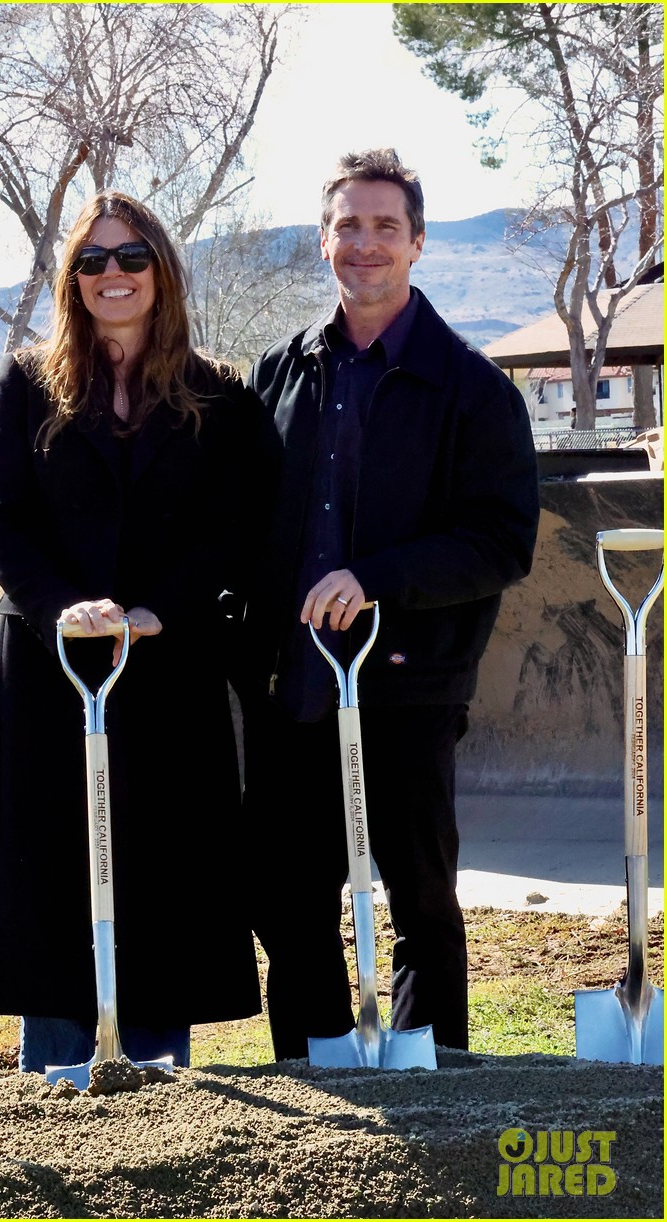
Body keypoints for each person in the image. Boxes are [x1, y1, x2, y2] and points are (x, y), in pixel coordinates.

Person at [239, 149, 540, 1060]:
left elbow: (499, 542)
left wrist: (376, 579)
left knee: (418, 900)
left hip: (408, 685)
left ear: (416, 243)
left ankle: (431, 1077)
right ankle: (318, 1076)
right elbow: (248, 523)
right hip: (293, 688)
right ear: (324, 242)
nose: (364, 244)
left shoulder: (474, 390)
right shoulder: (282, 374)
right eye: (347, 226)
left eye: (384, 227)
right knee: (289, 903)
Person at [0, 189, 278, 1073]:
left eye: (131, 256)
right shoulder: (27, 381)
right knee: (57, 880)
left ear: (162, 271)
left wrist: (161, 610)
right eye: (92, 260)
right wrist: (63, 605)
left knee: (161, 881)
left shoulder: (217, 394)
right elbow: (1, 516)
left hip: (168, 672)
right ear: (73, 279)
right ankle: (58, 1083)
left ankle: (155, 1079)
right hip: (52, 669)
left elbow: (233, 525)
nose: (113, 274)